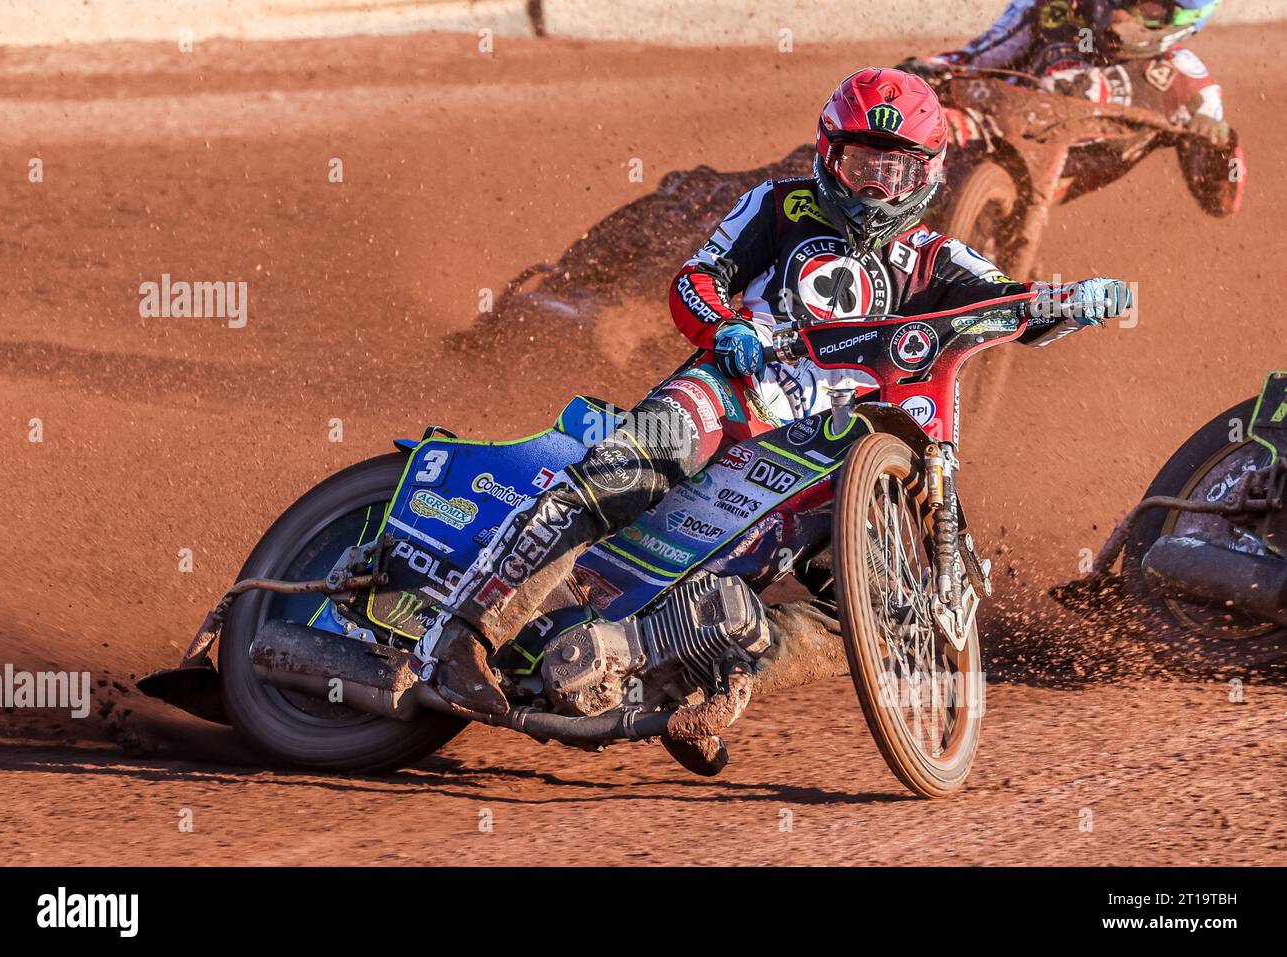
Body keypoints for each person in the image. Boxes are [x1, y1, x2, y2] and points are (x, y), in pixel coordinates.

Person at [416, 67, 1132, 723]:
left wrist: (1074, 298)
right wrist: (725, 326)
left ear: (929, 176)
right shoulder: (778, 206)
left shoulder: (938, 260)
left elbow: (1007, 303)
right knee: (633, 463)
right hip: (731, 394)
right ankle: (468, 630)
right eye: (860, 167)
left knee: (865, 608)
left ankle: (712, 679)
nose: (873, 190)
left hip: (825, 464)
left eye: (895, 172)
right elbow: (695, 280)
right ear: (829, 156)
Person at [899, 0, 1243, 216]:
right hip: (986, 121)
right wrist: (927, 68)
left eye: (1147, 4)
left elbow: (1222, 202)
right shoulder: (1054, 10)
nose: (1123, 10)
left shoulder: (1189, 85)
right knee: (907, 128)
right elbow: (973, 58)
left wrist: (1221, 147)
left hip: (1056, 174)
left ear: (1181, 20)